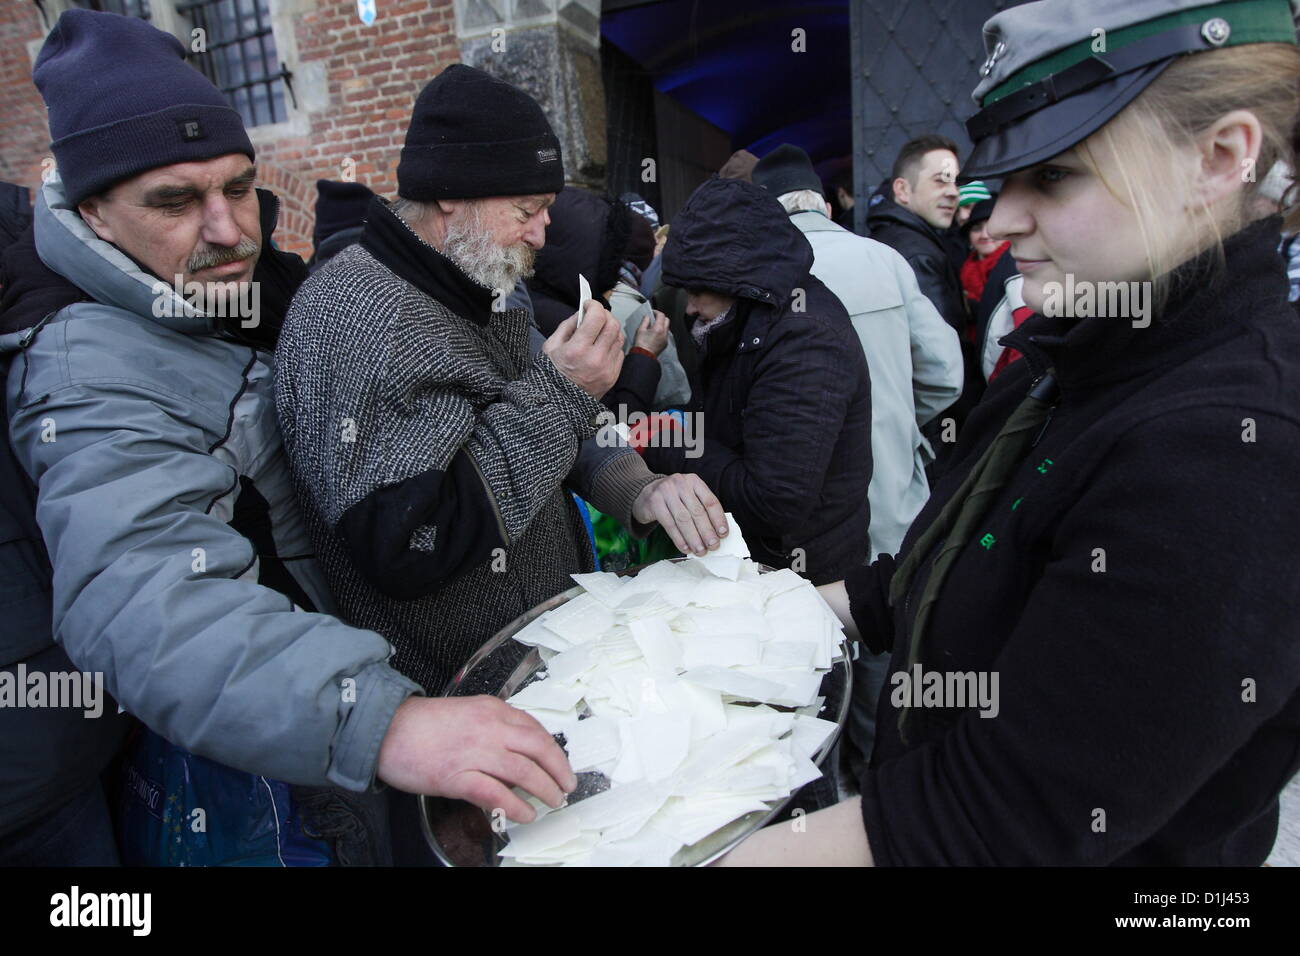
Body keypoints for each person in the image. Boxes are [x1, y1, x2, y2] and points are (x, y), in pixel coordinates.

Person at [718, 0, 1300, 866]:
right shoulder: (1070, 352)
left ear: (1219, 159)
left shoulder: (1234, 445)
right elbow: (945, 568)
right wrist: (750, 618)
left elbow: (994, 818)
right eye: (1006, 179)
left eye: (1055, 176)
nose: (999, 219)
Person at [0, 10, 579, 864]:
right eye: (174, 201)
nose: (230, 229)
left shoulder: (250, 284)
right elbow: (148, 598)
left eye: (238, 187)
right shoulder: (88, 370)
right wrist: (382, 721)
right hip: (285, 757)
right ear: (94, 211)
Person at [275, 64, 728, 703]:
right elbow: (412, 541)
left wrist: (639, 486)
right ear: (451, 194)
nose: (542, 232)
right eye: (526, 210)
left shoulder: (478, 282)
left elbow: (552, 416)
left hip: (543, 657)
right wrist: (564, 390)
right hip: (460, 693)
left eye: (545, 209)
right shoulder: (353, 317)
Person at [753, 143, 963, 769]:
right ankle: (877, 788)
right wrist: (897, 427)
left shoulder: (759, 273)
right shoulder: (884, 259)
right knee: (884, 646)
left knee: (803, 659)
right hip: (892, 501)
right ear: (823, 203)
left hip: (797, 520)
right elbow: (946, 373)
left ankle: (817, 782)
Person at [639, 176, 872, 586]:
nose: (690, 308)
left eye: (698, 291)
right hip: (761, 562)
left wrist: (665, 443)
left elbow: (774, 500)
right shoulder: (748, 319)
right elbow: (727, 419)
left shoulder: (804, 340)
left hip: (803, 576)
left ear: (739, 282)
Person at [867, 134, 969, 335]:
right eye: (940, 181)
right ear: (903, 190)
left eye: (956, 183)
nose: (954, 192)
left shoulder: (895, 239)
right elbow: (940, 345)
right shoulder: (916, 254)